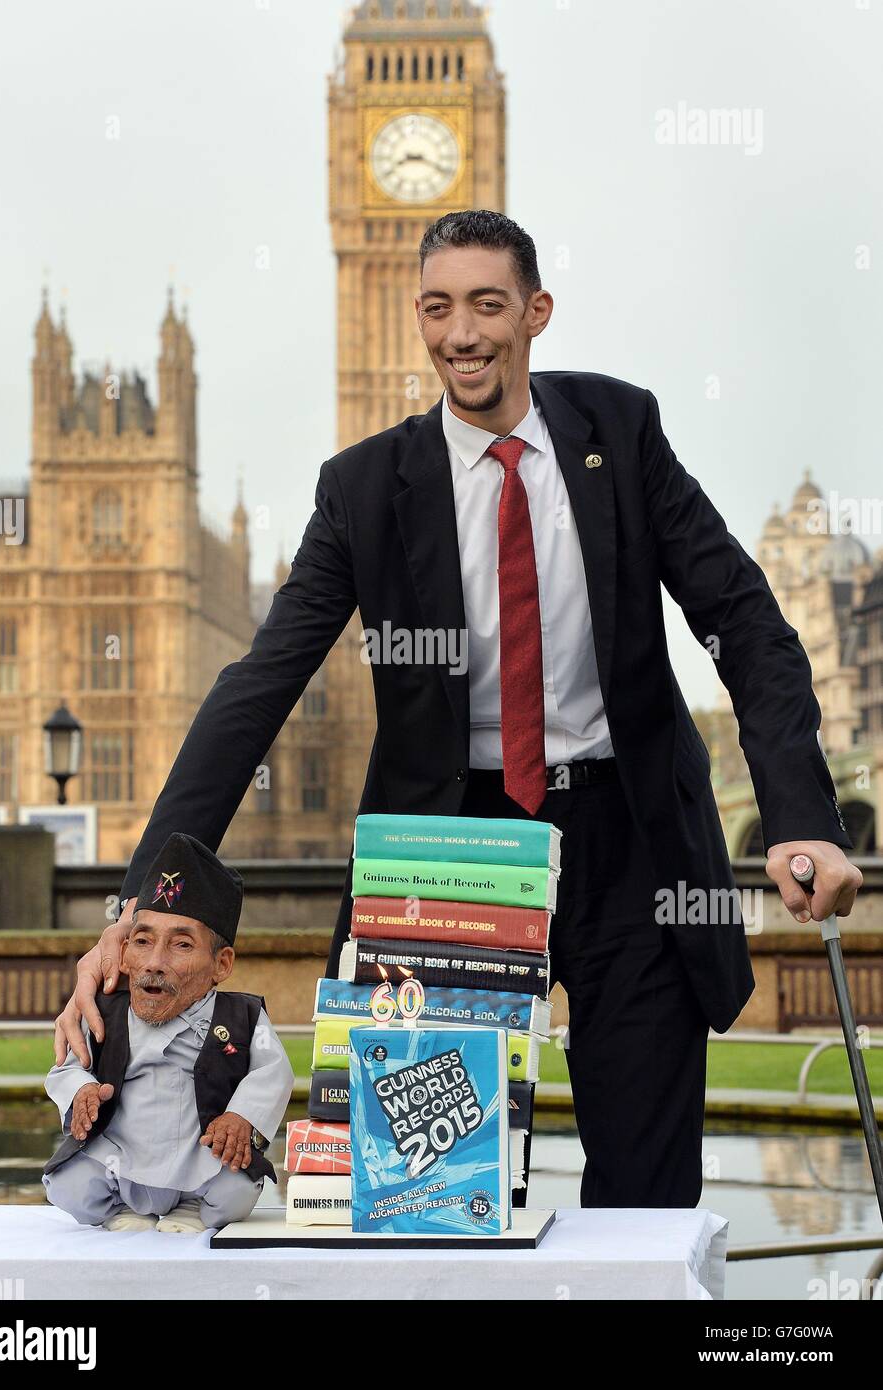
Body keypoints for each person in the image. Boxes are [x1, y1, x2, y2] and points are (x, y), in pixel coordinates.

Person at [54, 209, 862, 1207]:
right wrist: (141, 906)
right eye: (438, 309)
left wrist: (797, 817)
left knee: (645, 1196)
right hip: (448, 851)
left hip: (630, 843)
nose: (462, 334)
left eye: (486, 305)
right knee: (420, 1196)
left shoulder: (619, 430)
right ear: (417, 319)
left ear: (534, 312)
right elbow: (257, 687)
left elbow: (741, 619)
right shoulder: (364, 489)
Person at [43, 832, 294, 1232]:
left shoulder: (241, 1017)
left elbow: (273, 1073)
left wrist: (241, 1116)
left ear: (221, 965)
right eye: (142, 941)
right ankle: (121, 1211)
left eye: (181, 945)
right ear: (123, 952)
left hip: (200, 1159)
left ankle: (193, 1210)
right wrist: (80, 1092)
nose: (154, 962)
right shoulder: (103, 1014)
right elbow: (66, 1068)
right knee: (68, 1186)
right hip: (120, 1155)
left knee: (236, 1192)